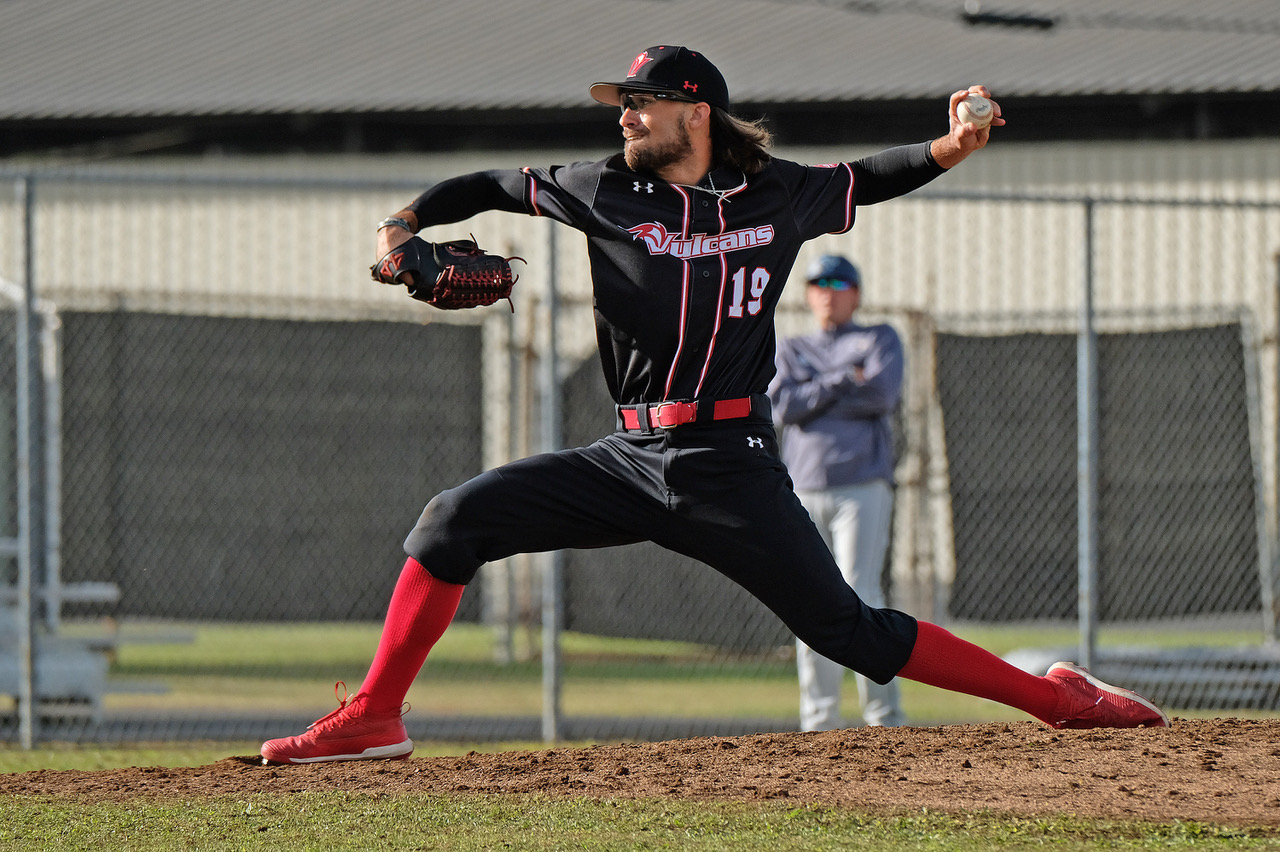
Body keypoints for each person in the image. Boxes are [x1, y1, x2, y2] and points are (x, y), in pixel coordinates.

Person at [261, 45, 1167, 764]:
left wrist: (955, 144)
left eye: (640, 101)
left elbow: (873, 174)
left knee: (852, 632)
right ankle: (374, 716)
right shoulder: (601, 190)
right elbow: (493, 186)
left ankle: (1059, 700)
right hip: (626, 457)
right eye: (621, 102)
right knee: (449, 522)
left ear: (695, 112)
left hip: (730, 461)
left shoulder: (777, 193)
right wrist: (399, 228)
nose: (624, 114)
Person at [769, 254, 906, 730]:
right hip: (802, 488)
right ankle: (820, 723)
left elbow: (883, 396)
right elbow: (783, 406)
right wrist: (846, 378)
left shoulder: (879, 337)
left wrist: (817, 392)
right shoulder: (791, 346)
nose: (827, 290)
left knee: (861, 592)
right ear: (808, 294)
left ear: (857, 292)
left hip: (863, 485)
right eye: (817, 283)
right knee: (813, 601)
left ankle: (884, 718)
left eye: (838, 282)